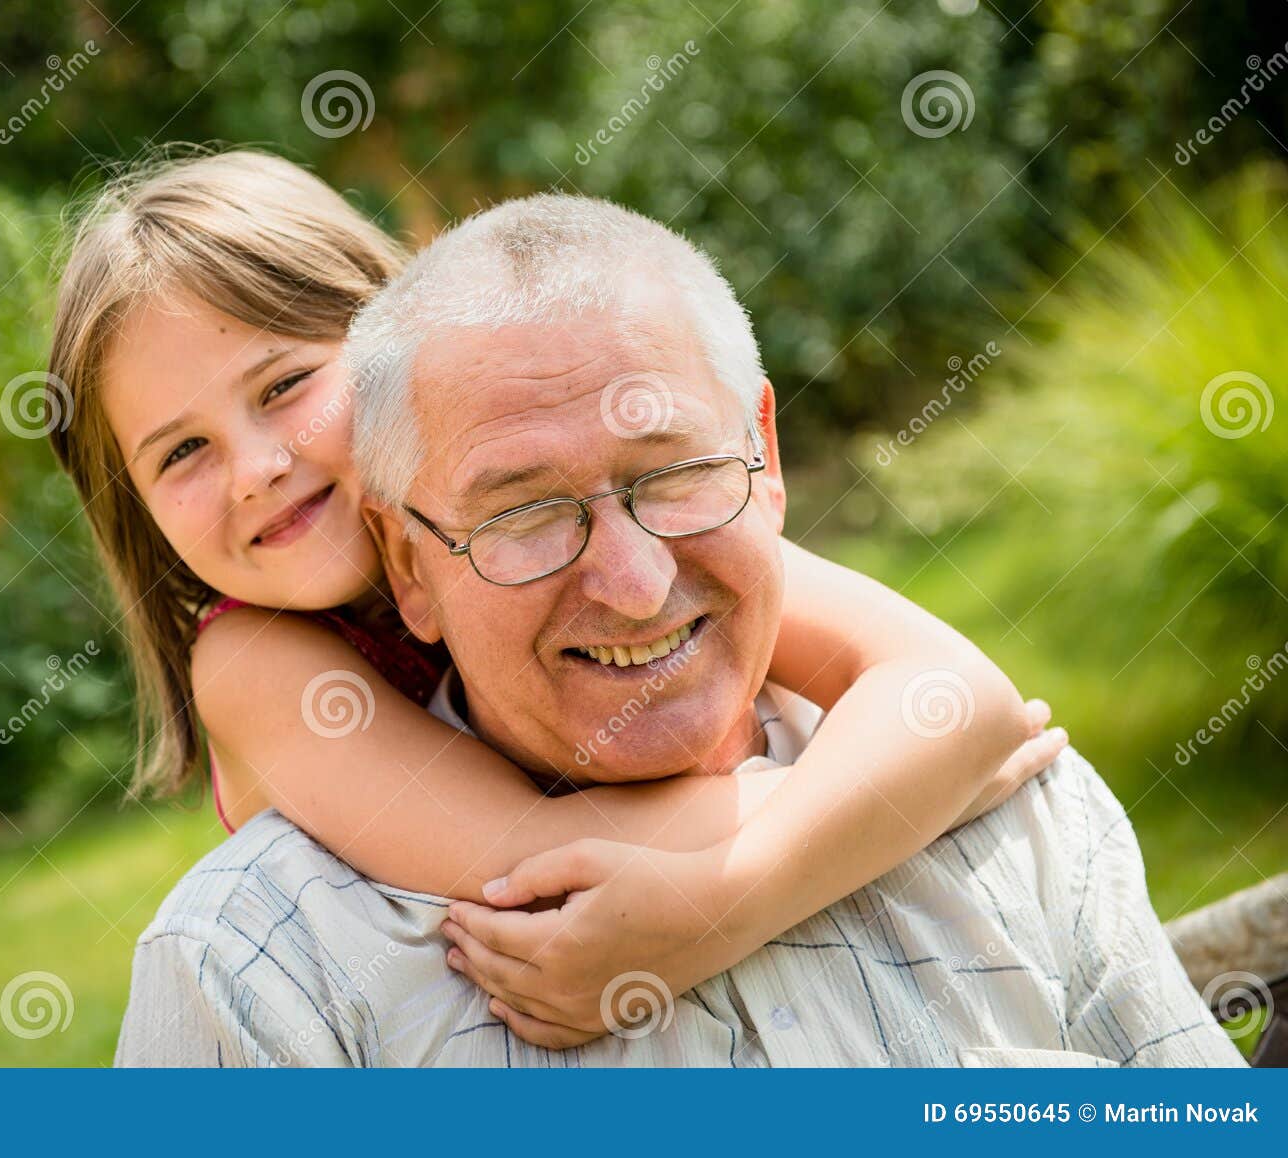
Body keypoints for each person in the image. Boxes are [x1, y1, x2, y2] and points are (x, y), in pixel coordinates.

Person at [112, 190, 1243, 1067]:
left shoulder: (1018, 826)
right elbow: (530, 873)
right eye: (521, 515)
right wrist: (863, 803)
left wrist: (749, 876)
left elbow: (956, 698)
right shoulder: (255, 720)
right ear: (408, 554)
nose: (638, 582)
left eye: (283, 388)